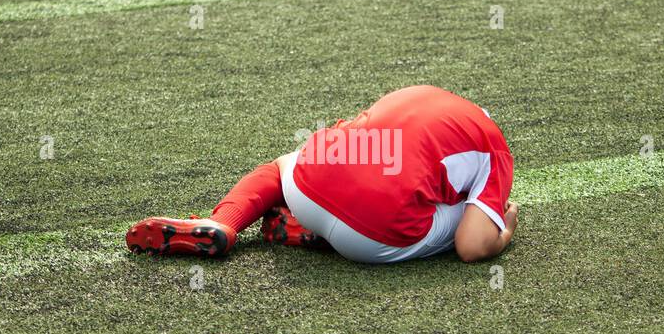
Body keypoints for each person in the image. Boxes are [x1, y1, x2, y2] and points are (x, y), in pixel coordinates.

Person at [126, 85, 518, 264]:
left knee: (280, 167)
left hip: (308, 189)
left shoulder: (418, 92)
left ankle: (224, 223)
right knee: (472, 222)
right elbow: (470, 247)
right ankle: (317, 234)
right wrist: (502, 234)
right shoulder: (494, 147)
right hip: (372, 240)